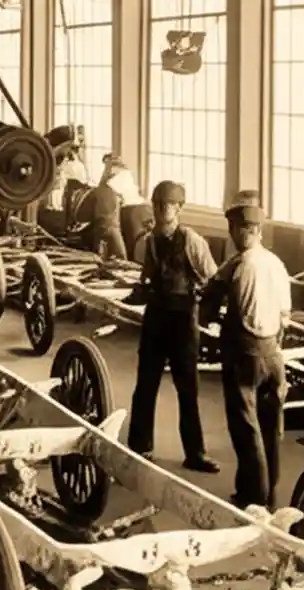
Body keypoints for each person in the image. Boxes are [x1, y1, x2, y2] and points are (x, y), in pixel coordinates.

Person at [200, 191, 290, 508]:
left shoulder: (241, 267)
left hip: (246, 355)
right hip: (275, 356)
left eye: (233, 229)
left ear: (242, 230)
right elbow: (285, 315)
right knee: (270, 430)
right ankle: (270, 494)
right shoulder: (276, 264)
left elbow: (230, 309)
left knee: (246, 429)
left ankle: (255, 498)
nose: (232, 235)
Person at [126, 180, 219, 474]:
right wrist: (137, 292)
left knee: (187, 389)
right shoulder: (150, 240)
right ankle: (139, 447)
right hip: (156, 317)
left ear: (179, 208)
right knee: (145, 386)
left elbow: (212, 278)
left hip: (182, 320)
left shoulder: (191, 240)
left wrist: (206, 307)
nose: (162, 209)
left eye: (168, 205)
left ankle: (195, 453)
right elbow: (147, 277)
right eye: (157, 204)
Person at [100, 154, 154, 261]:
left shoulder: (111, 176)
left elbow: (103, 193)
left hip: (130, 211)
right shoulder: (127, 172)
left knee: (132, 244)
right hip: (145, 207)